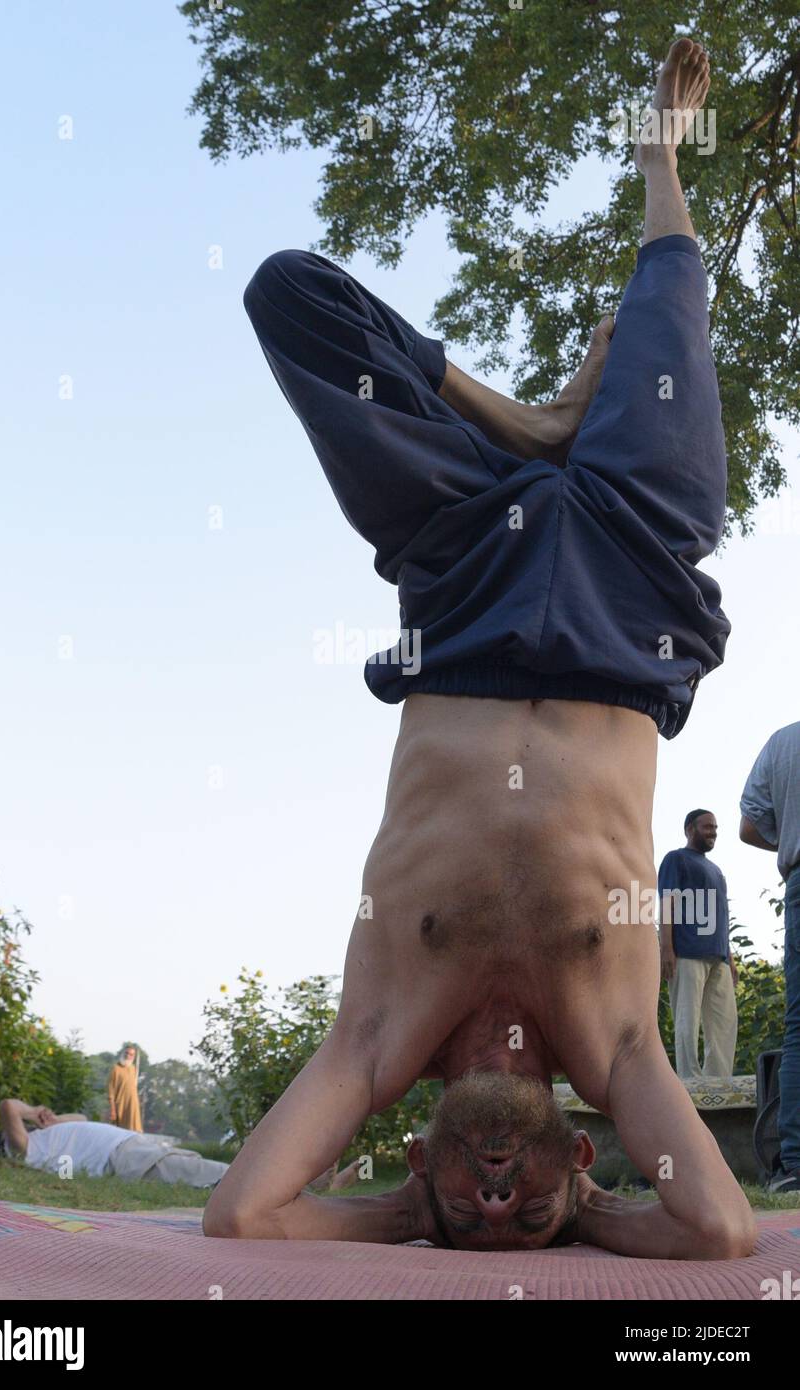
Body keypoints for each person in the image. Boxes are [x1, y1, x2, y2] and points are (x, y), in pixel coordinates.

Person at [205, 40, 755, 1258]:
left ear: (417, 1155)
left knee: (288, 292)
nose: (494, 1192)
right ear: (576, 1156)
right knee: (672, 292)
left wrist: (406, 1220)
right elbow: (717, 1229)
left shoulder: (382, 1036)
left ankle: (538, 422)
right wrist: (596, 1221)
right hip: (635, 587)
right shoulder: (615, 1050)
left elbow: (246, 1214)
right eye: (527, 1205)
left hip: (464, 574)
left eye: (470, 1206)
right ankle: (659, 160)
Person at [740, 721, 800, 1193]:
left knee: (799, 1027)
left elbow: (748, 827)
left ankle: (795, 1165)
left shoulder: (782, 742)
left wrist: (786, 838)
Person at [658, 809, 737, 1079]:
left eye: (715, 827)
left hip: (719, 958)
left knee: (724, 1023)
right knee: (687, 1020)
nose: (713, 832)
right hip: (687, 954)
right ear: (690, 829)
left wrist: (730, 958)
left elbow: (720, 916)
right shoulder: (676, 859)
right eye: (707, 827)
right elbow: (666, 902)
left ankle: (718, 1081)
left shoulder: (716, 871)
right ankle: (690, 1081)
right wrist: (666, 949)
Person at [0, 1098, 228, 1188]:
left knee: (187, 1162)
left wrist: (54, 1120)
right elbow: (8, 1105)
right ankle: (246, 1184)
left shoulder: (48, 1133)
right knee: (191, 1171)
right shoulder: (24, 1149)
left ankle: (244, 1179)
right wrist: (33, 1111)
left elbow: (82, 1118)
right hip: (119, 1157)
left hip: (129, 1143)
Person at [107, 1044, 143, 1131]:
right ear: (123, 1053)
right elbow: (111, 1090)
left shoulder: (133, 1068)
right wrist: (113, 1109)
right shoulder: (116, 1068)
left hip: (132, 1105)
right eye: (127, 1053)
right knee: (119, 1130)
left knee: (133, 1130)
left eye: (131, 1054)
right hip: (120, 1105)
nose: (128, 1056)